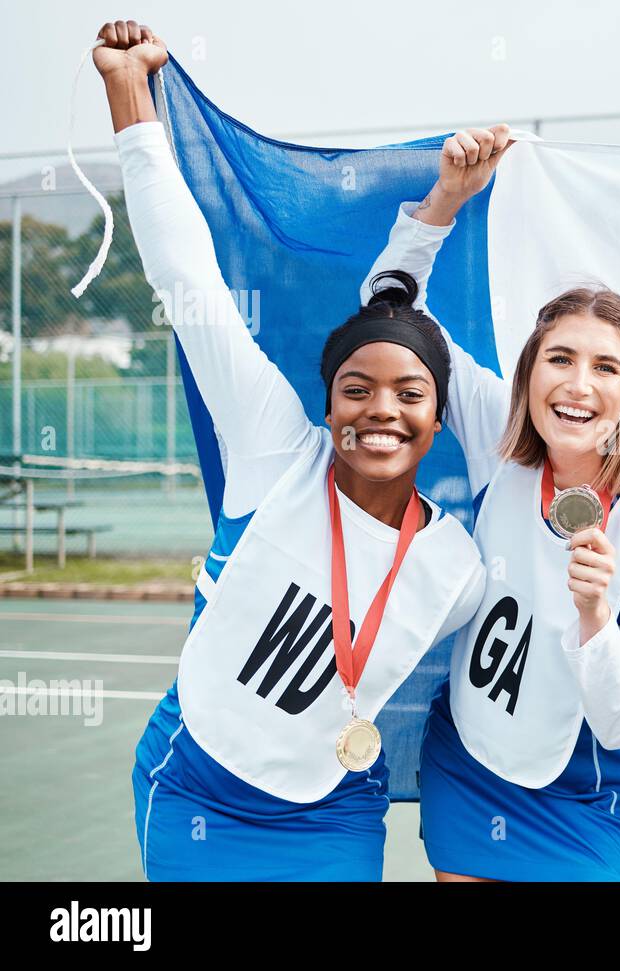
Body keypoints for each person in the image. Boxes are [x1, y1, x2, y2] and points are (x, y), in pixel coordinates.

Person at [95, 21, 486, 881]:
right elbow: (188, 281)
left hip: (334, 810)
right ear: (327, 400)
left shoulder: (458, 567)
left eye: (408, 393)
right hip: (195, 788)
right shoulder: (275, 449)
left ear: (437, 416)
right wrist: (130, 96)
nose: (379, 410)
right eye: (356, 388)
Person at [360, 127, 620, 881]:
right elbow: (389, 305)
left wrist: (594, 619)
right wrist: (449, 196)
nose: (580, 384)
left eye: (606, 367)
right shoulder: (498, 441)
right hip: (471, 763)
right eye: (561, 359)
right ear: (528, 372)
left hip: (584, 790)